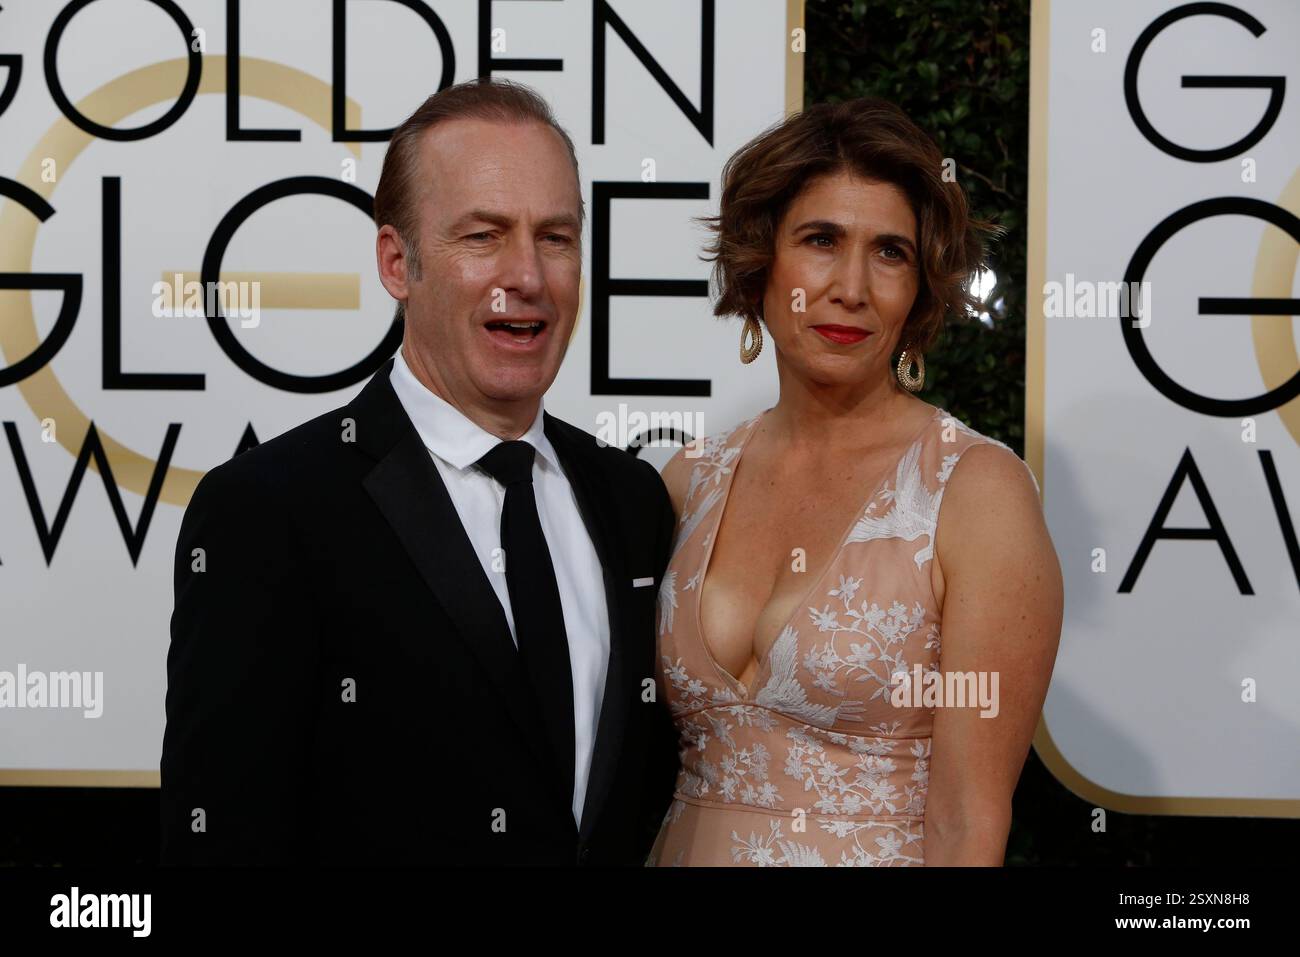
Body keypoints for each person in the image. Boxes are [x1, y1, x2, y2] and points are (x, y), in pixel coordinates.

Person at [160, 79, 679, 866]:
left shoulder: (633, 500)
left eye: (556, 237)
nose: (527, 276)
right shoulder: (269, 512)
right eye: (483, 236)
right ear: (398, 262)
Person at [648, 97, 1063, 866]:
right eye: (820, 240)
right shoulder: (690, 478)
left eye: (890, 252)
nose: (851, 286)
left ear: (920, 290)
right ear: (760, 260)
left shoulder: (975, 491)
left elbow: (969, 825)